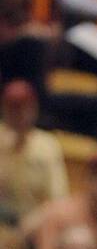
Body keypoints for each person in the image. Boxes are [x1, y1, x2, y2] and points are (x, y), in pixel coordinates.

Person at [0, 79, 67, 223]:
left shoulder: (47, 145)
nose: (18, 114)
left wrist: (29, 225)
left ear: (33, 108)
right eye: (12, 108)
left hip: (33, 225)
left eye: (23, 107)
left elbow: (57, 201)